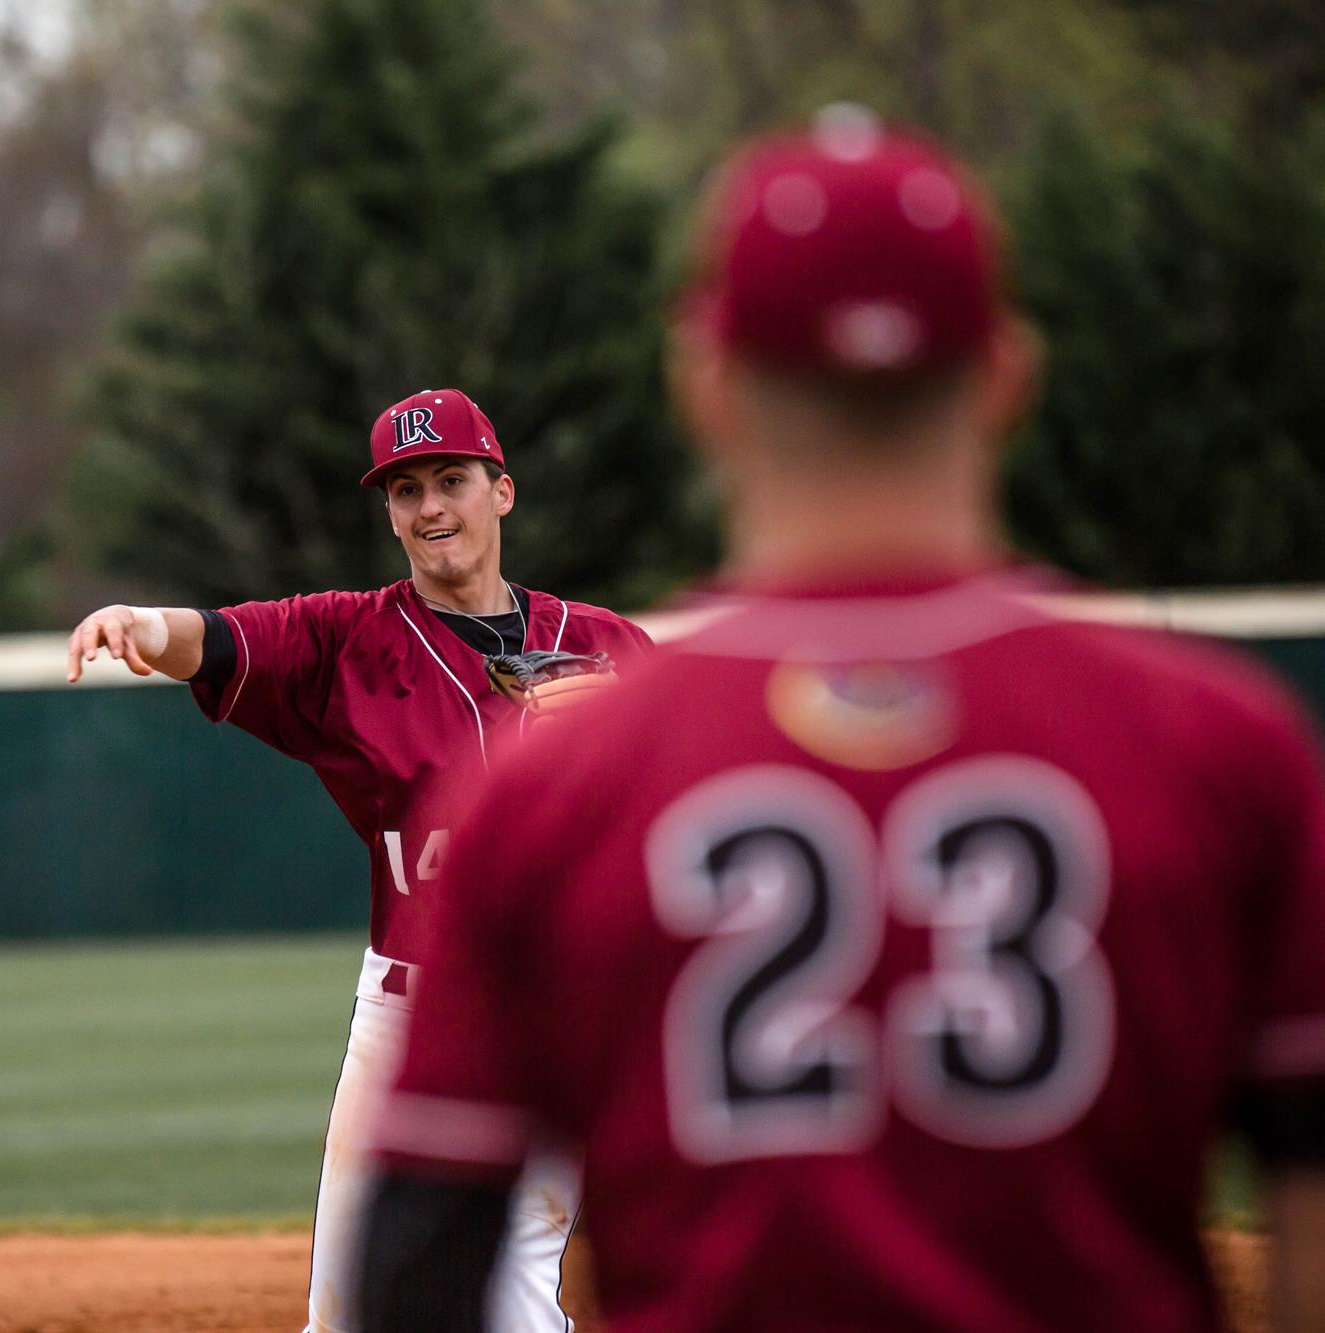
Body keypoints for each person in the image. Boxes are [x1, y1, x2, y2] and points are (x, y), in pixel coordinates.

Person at [358, 109, 1325, 1333]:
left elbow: (418, 1265)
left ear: (701, 387)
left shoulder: (552, 788)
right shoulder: (1222, 744)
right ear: (1008, 373)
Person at [66, 388, 651, 1332]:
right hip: (412, 1011)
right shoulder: (346, 639)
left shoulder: (608, 647)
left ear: (501, 492)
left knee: (509, 1299)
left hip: (567, 1011)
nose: (429, 508)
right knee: (349, 1309)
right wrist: (140, 622)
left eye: (451, 480)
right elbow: (217, 639)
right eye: (405, 488)